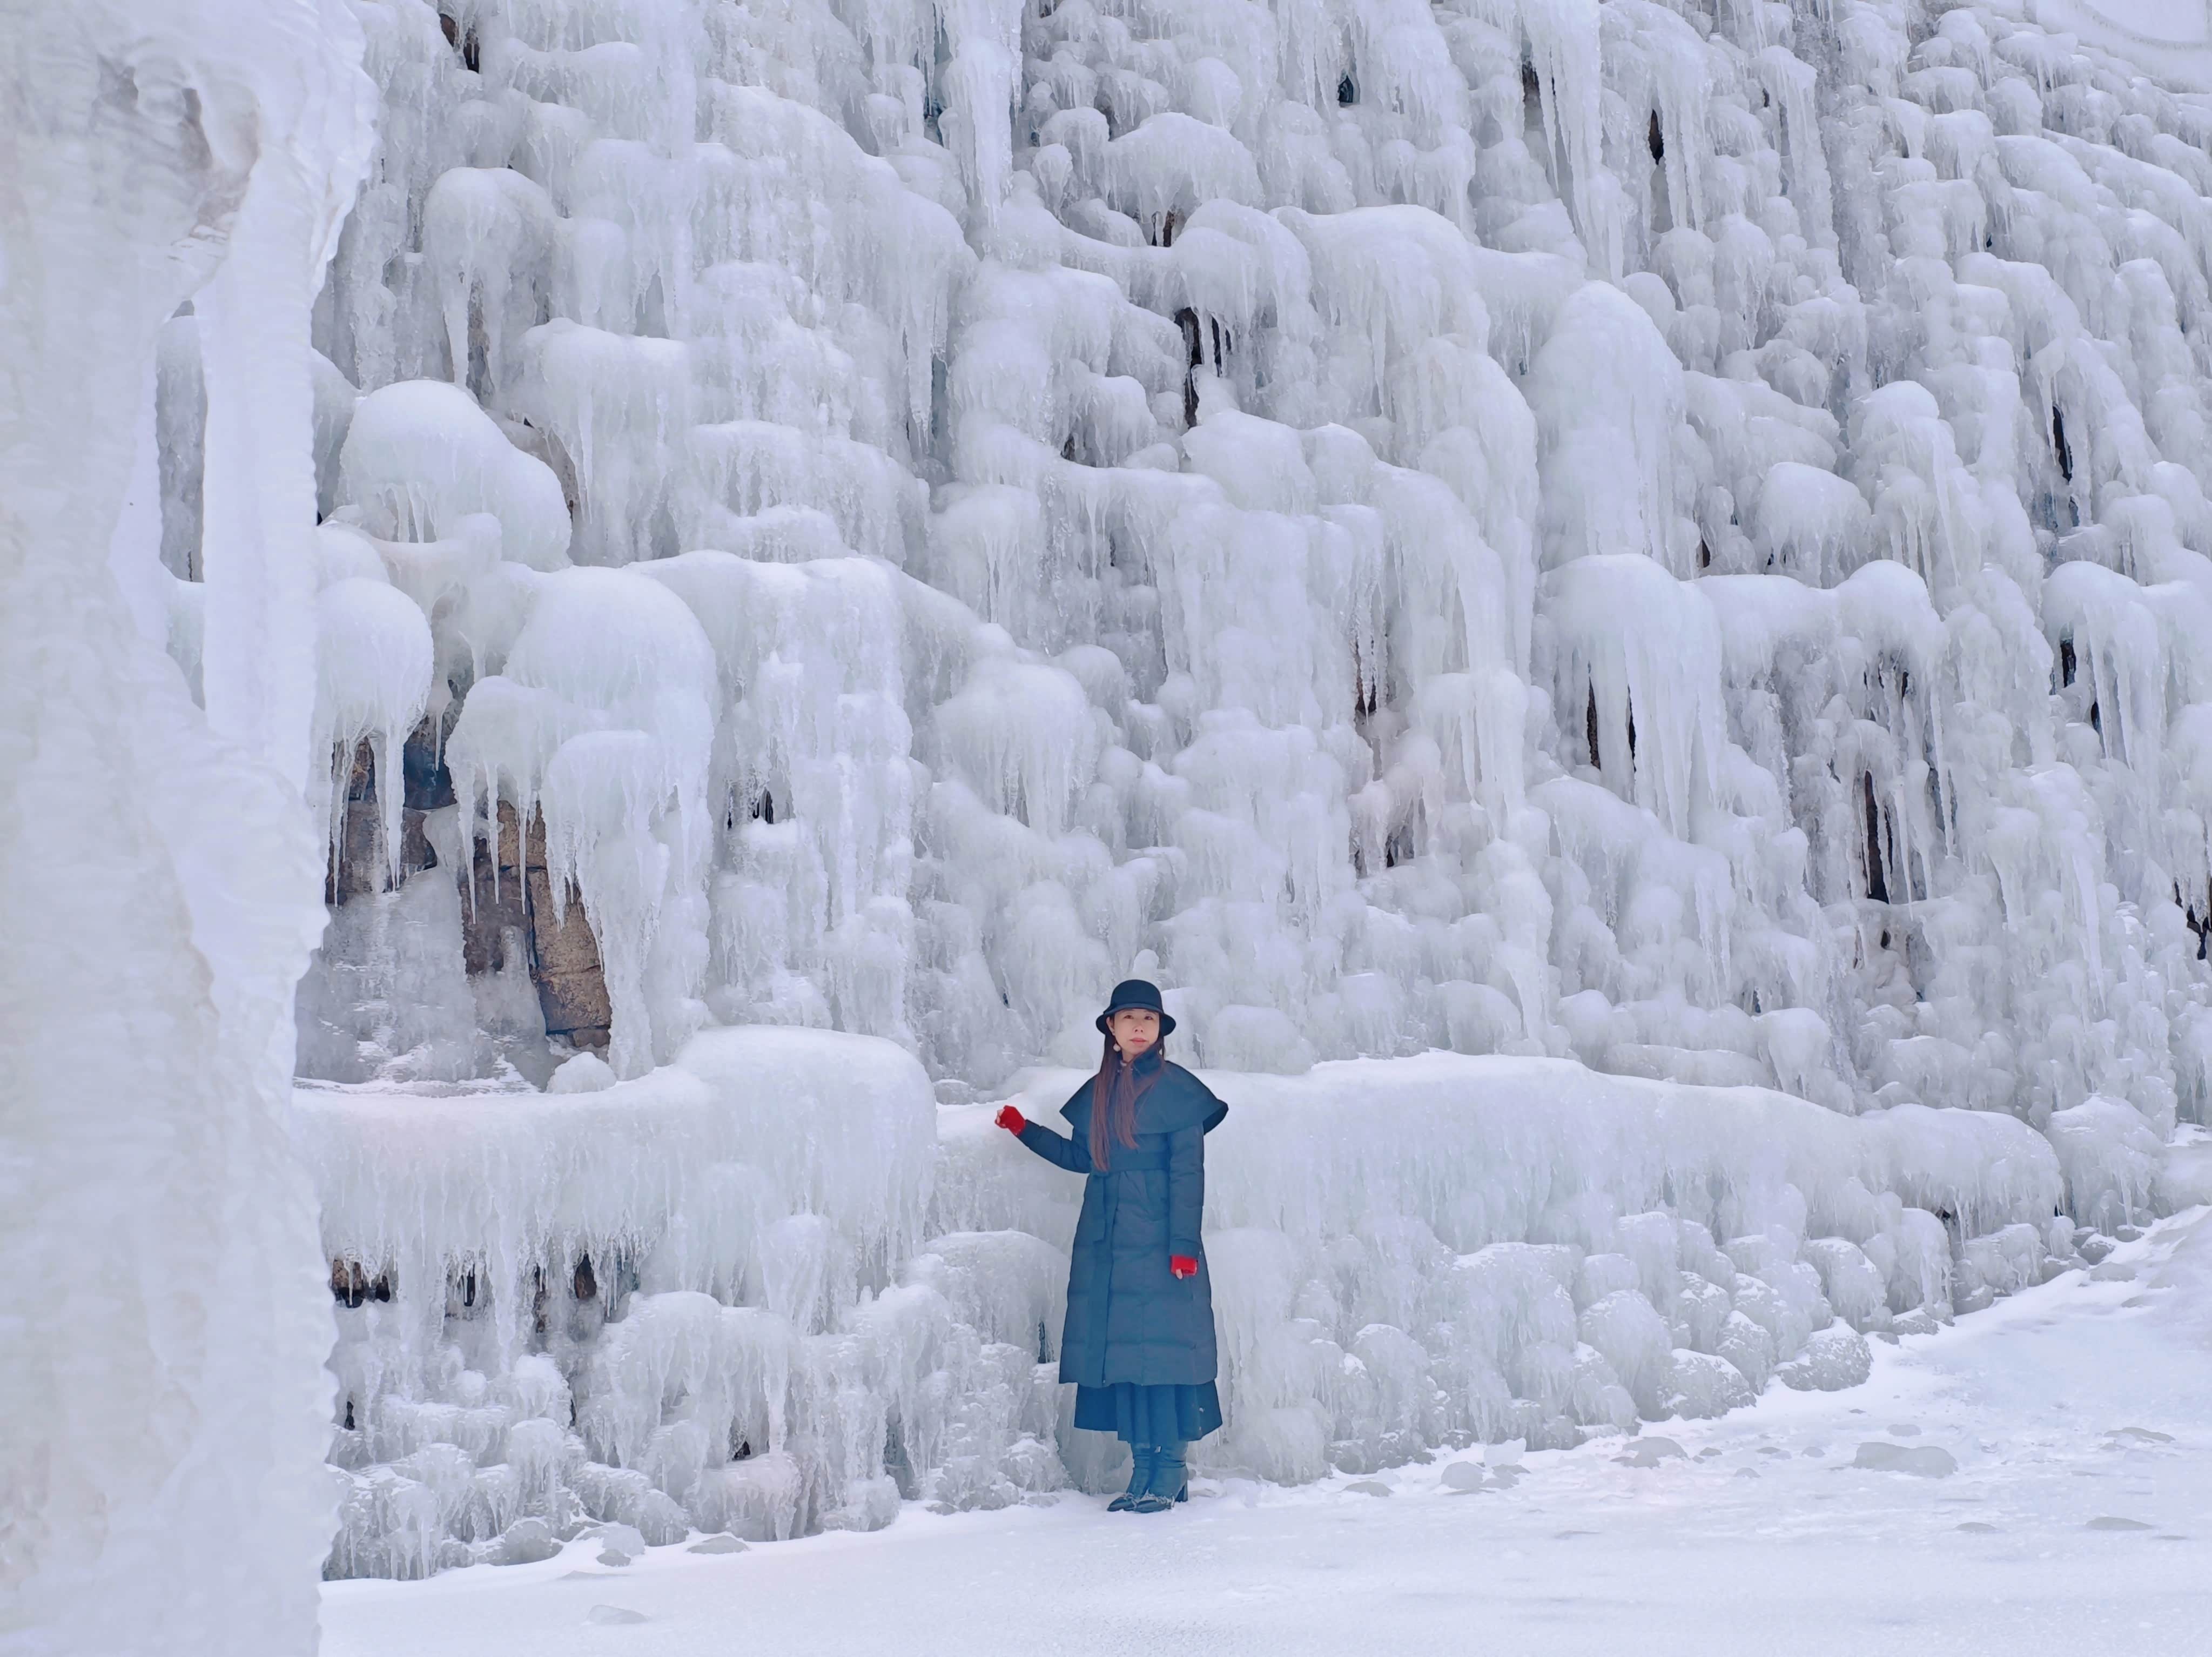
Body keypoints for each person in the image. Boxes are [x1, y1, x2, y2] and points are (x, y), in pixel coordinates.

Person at [995, 979, 1229, 1513]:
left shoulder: (1179, 1091)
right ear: (1111, 1028)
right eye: (1129, 1018)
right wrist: (1023, 1129)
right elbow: (1084, 1159)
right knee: (1126, 1358)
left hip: (1162, 1242)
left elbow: (1188, 1173)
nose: (1140, 1027)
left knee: (1165, 1356)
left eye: (1150, 1018)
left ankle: (1171, 1469)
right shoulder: (1099, 1093)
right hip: (1107, 1241)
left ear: (1162, 1029)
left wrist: (1183, 1245)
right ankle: (1143, 1468)